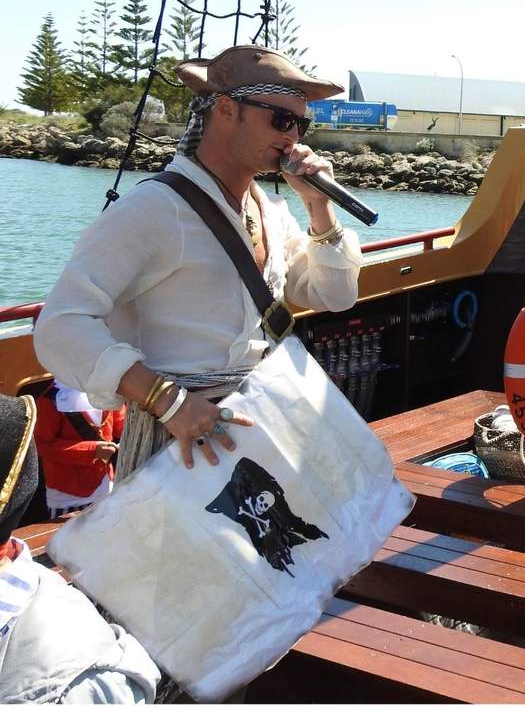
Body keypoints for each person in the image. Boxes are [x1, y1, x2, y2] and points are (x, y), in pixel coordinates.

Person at [34, 45, 361, 477]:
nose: (293, 137)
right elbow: (60, 325)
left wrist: (320, 206)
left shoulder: (271, 213)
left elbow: (335, 296)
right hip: (176, 442)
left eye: (301, 124)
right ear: (226, 110)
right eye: (281, 120)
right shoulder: (153, 209)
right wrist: (167, 402)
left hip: (256, 430)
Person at [0, 393, 161, 704]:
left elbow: (117, 424)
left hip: (98, 482)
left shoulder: (80, 676)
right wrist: (90, 450)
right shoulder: (51, 402)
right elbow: (47, 446)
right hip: (67, 485)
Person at [32, 380, 125, 518]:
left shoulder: (106, 392)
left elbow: (121, 426)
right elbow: (41, 445)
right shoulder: (50, 400)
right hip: (67, 494)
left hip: (104, 485)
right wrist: (92, 450)